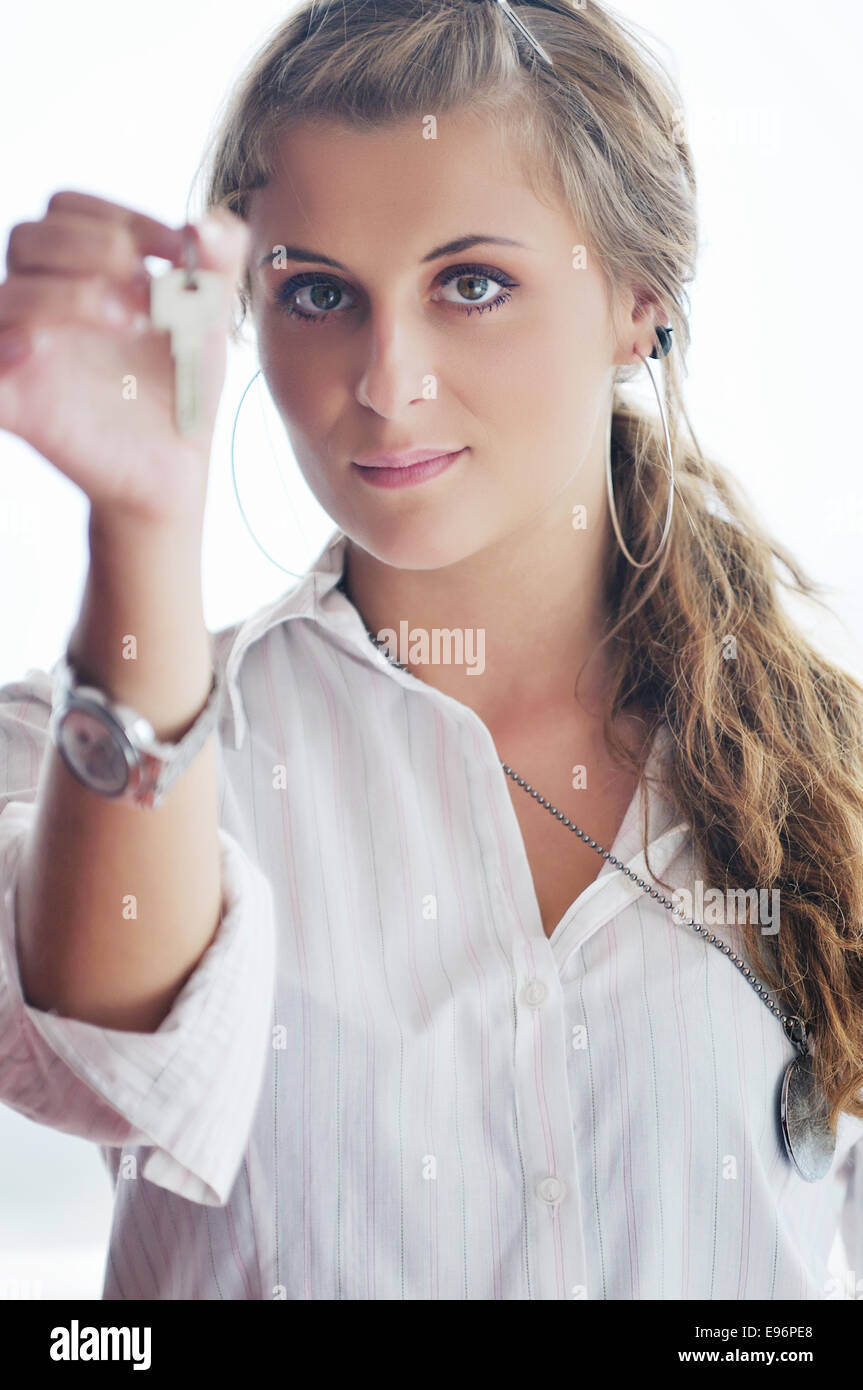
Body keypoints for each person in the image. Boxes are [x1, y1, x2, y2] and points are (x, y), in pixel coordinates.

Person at [0, 0, 861, 1301]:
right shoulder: (84, 742)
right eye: (318, 293)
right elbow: (111, 1056)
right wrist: (144, 516)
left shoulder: (834, 778)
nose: (387, 377)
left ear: (639, 304)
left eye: (472, 283)